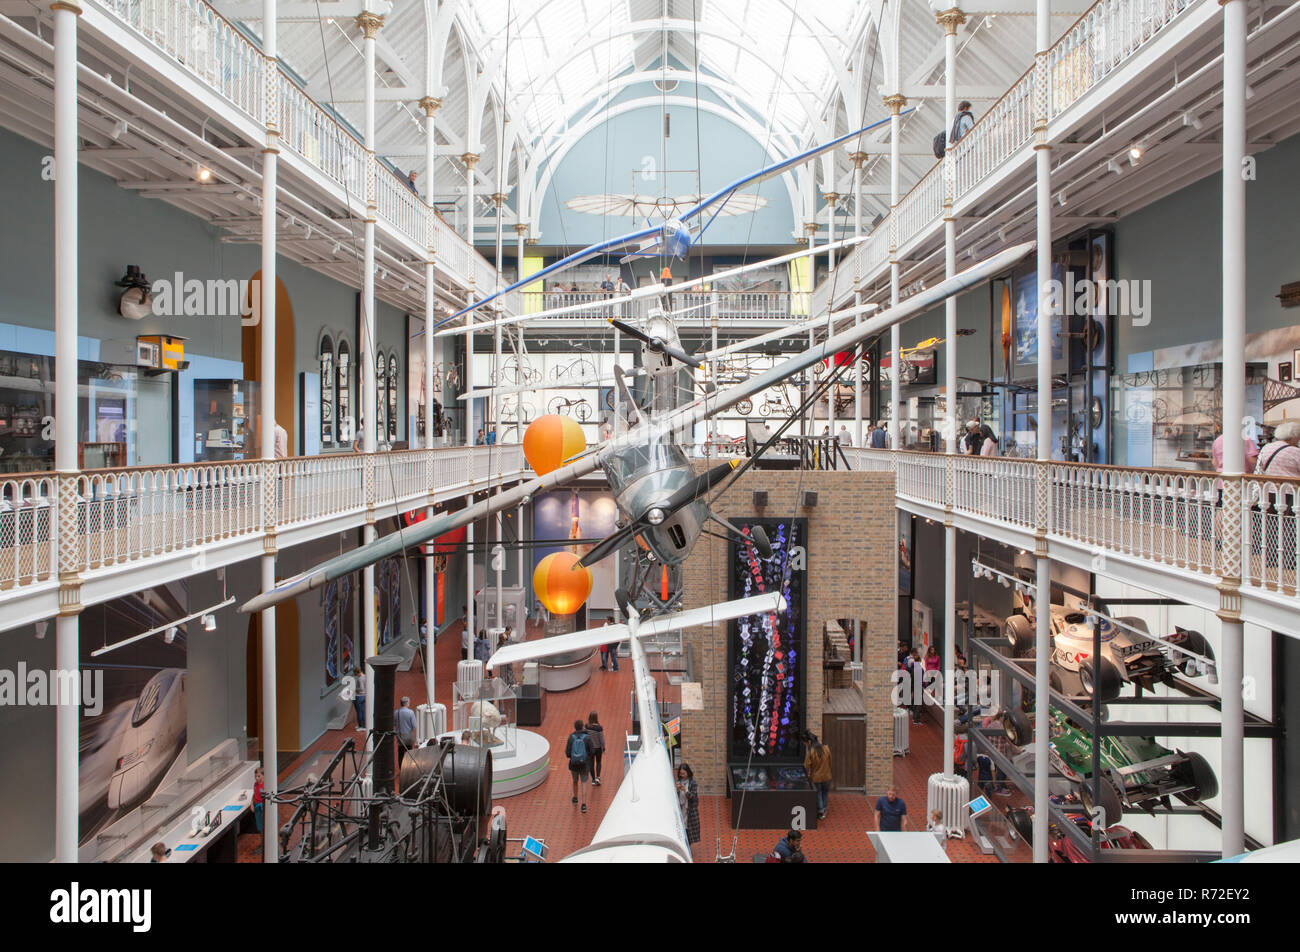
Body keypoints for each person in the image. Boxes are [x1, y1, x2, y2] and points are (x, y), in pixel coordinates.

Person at [565, 719, 591, 812]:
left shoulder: (571, 737)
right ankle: (583, 804)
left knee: (575, 781)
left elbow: (567, 753)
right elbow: (591, 751)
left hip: (574, 764)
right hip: (584, 764)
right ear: (582, 726)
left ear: (575, 727)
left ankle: (575, 798)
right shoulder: (587, 737)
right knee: (584, 782)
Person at [804, 736, 832, 820]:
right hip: (827, 776)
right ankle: (823, 809)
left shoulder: (811, 751)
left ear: (809, 742)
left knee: (819, 793)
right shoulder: (826, 749)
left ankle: (821, 810)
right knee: (825, 793)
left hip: (816, 777)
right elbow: (830, 762)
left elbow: (806, 765)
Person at [677, 764, 701, 850]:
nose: (682, 775)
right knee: (681, 828)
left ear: (688, 772)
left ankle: (688, 848)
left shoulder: (692, 783)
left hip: (690, 810)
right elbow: (675, 796)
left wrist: (686, 791)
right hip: (681, 808)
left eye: (683, 773)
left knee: (688, 829)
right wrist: (676, 790)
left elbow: (694, 797)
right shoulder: (678, 781)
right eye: (680, 774)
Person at [395, 696, 417, 768]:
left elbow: (394, 724)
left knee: (400, 753)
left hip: (400, 736)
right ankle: (409, 767)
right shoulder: (410, 712)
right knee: (409, 752)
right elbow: (414, 725)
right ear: (407, 703)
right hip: (408, 736)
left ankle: (401, 767)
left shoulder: (396, 712)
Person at [585, 711, 606, 786]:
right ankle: (598, 777)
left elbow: (585, 737)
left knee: (591, 763)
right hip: (598, 748)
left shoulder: (586, 726)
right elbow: (602, 739)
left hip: (590, 748)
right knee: (598, 762)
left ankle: (593, 779)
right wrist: (603, 747)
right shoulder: (599, 728)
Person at [351, 665, 367, 732]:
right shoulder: (365, 676)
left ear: (356, 672)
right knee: (362, 711)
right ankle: (363, 725)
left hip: (359, 696)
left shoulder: (360, 679)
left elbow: (361, 688)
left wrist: (355, 689)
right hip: (364, 696)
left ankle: (361, 726)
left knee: (359, 712)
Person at [252, 766, 265, 833]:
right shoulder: (255, 784)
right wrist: (252, 804)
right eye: (256, 776)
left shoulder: (265, 785)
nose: (257, 778)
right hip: (257, 806)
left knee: (265, 824)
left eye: (259, 776)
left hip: (263, 806)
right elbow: (254, 794)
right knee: (260, 826)